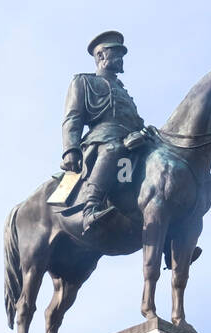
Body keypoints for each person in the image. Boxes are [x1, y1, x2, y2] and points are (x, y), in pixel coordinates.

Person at [60, 30, 149, 234]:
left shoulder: (123, 91)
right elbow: (72, 117)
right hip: (102, 140)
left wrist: (146, 133)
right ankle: (90, 209)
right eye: (116, 54)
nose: (121, 60)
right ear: (100, 56)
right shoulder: (83, 82)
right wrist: (70, 150)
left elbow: (137, 121)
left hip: (132, 140)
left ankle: (167, 234)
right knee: (113, 149)